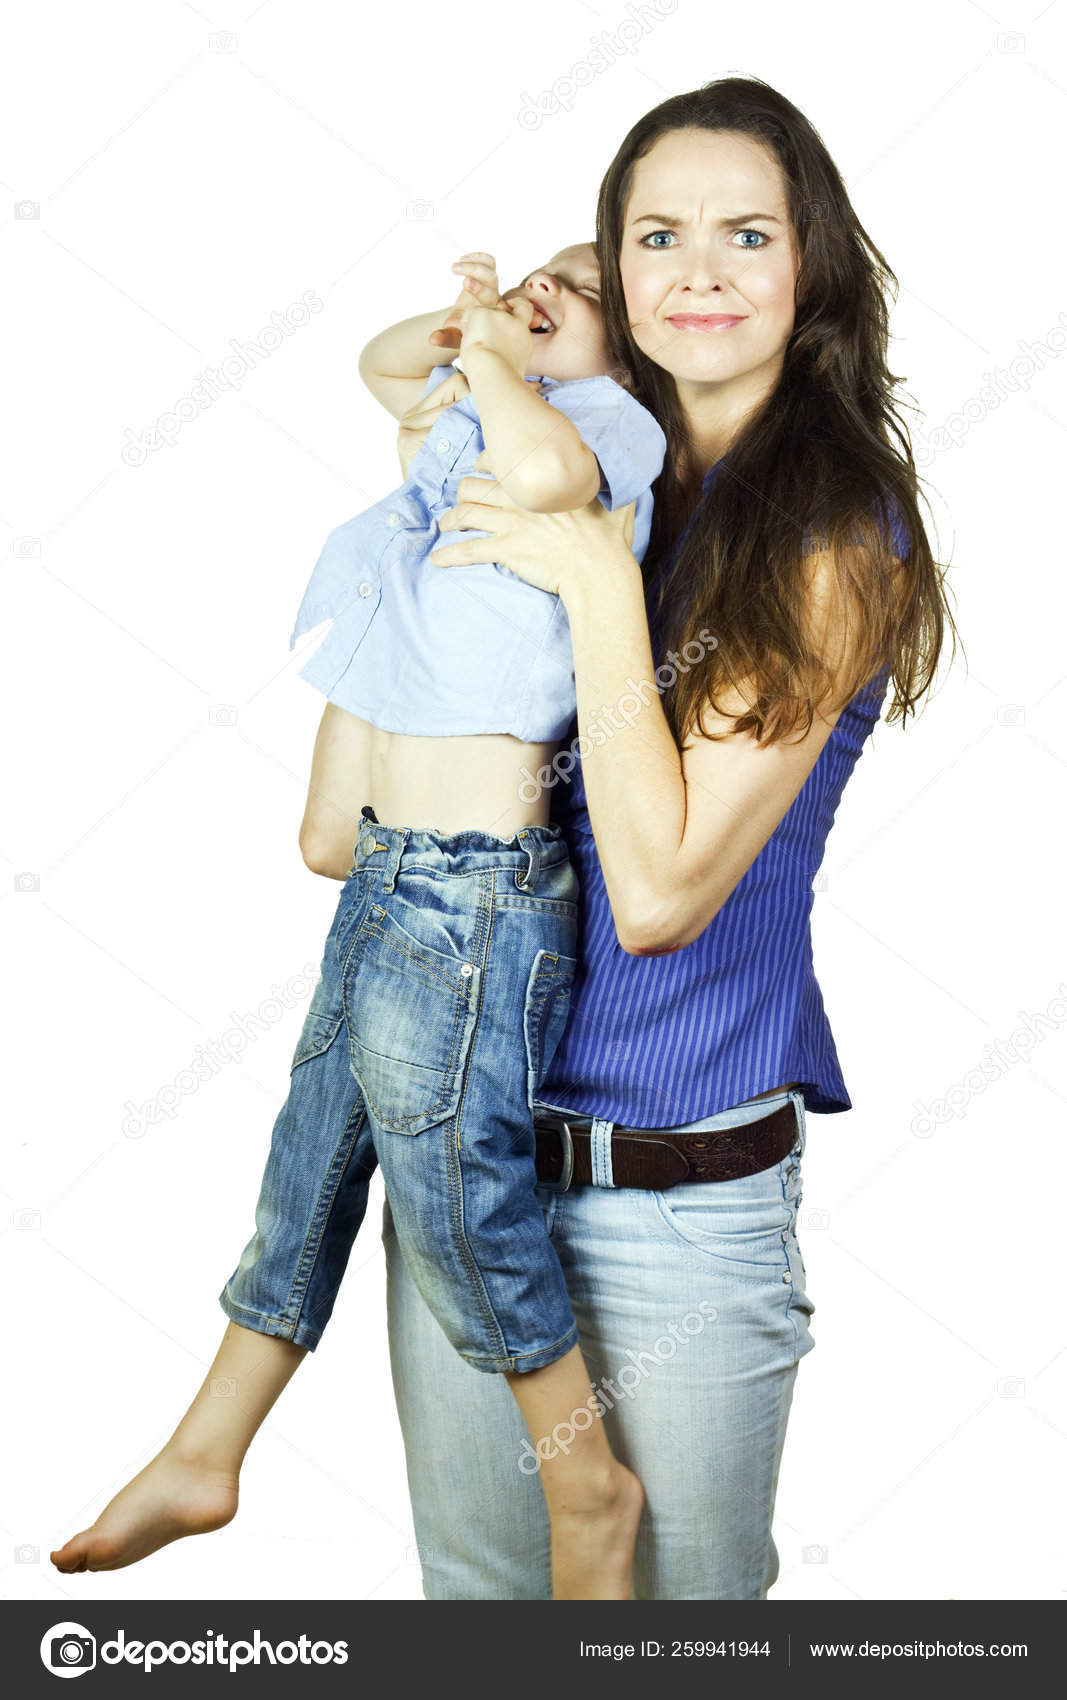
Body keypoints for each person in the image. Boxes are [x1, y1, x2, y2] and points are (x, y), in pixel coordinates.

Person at [374, 77, 958, 1601]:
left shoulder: (837, 533)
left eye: (747, 234)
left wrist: (587, 583)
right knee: (488, 1628)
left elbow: (658, 889)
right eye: (659, 235)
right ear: (615, 268)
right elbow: (396, 386)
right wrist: (512, 354)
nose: (700, 271)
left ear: (810, 267)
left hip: (682, 1209)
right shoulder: (597, 471)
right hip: (468, 1162)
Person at [50, 243, 666, 1601]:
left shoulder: (604, 428)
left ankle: (587, 1486)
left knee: (462, 1203)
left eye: (580, 288)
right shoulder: (474, 409)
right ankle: (209, 1449)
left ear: (628, 352)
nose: (544, 290)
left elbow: (555, 481)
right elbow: (383, 367)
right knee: (309, 1164)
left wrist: (508, 363)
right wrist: (469, 325)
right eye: (539, 271)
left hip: (474, 893)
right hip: (396, 873)